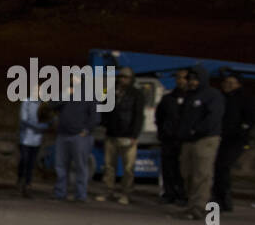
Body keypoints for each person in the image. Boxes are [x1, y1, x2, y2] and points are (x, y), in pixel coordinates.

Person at [174, 65, 223, 220]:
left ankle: (198, 207)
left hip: (205, 139)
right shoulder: (189, 96)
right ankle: (191, 204)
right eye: (190, 79)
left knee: (201, 174)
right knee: (186, 172)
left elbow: (213, 118)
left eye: (195, 79)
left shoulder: (213, 95)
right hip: (188, 140)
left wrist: (196, 130)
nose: (192, 82)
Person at [95, 66, 144, 205]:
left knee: (128, 168)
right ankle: (107, 191)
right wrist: (105, 124)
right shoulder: (111, 91)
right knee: (109, 166)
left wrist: (134, 135)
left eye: (126, 77)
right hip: (111, 135)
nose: (122, 79)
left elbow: (139, 116)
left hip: (128, 136)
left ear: (131, 79)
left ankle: (125, 193)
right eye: (121, 76)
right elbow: (104, 108)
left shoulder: (136, 94)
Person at [212, 71, 255, 212]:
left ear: (238, 84)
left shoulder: (245, 99)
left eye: (231, 83)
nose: (227, 86)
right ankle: (218, 197)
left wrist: (242, 131)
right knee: (217, 167)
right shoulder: (220, 97)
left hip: (235, 140)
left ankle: (224, 198)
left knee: (223, 166)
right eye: (225, 83)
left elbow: (252, 118)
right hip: (220, 138)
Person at [51, 84, 99, 203]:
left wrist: (87, 130)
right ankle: (60, 193)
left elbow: (95, 117)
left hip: (79, 137)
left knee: (81, 166)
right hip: (63, 135)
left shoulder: (90, 95)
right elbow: (52, 105)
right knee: (60, 166)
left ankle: (80, 195)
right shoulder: (66, 94)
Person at [155, 69, 188, 205]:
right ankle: (169, 194)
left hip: (185, 141)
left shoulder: (193, 97)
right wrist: (162, 132)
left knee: (183, 170)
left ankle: (183, 195)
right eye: (178, 78)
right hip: (168, 139)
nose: (180, 80)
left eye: (183, 78)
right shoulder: (168, 98)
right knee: (168, 168)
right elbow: (159, 116)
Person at [17, 87, 52, 198]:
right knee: (24, 160)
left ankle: (28, 185)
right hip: (25, 138)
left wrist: (46, 126)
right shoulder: (26, 102)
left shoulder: (43, 104)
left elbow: (48, 118)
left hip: (37, 139)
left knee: (31, 163)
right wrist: (37, 127)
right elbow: (24, 119)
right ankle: (20, 179)